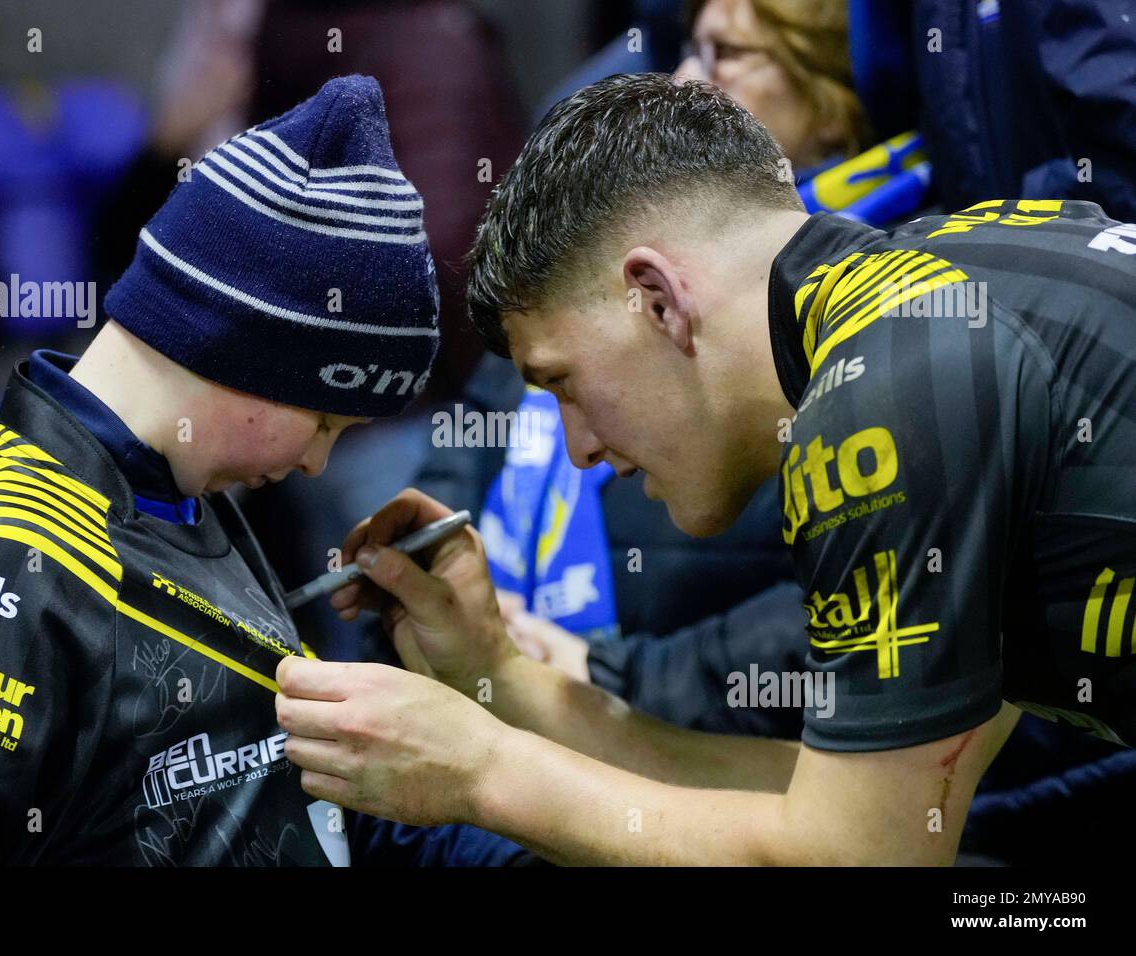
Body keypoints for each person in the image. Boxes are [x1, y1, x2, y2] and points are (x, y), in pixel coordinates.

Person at [274, 74, 1136, 864]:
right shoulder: (962, 269)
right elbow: (859, 809)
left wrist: (480, 773)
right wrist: (501, 678)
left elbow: (861, 861)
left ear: (657, 299)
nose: (578, 451)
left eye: (562, 384)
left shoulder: (885, 400)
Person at [0, 75, 528, 866]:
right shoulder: (16, 556)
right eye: (325, 422)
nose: (314, 463)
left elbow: (265, 810)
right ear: (237, 346)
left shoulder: (182, 499)